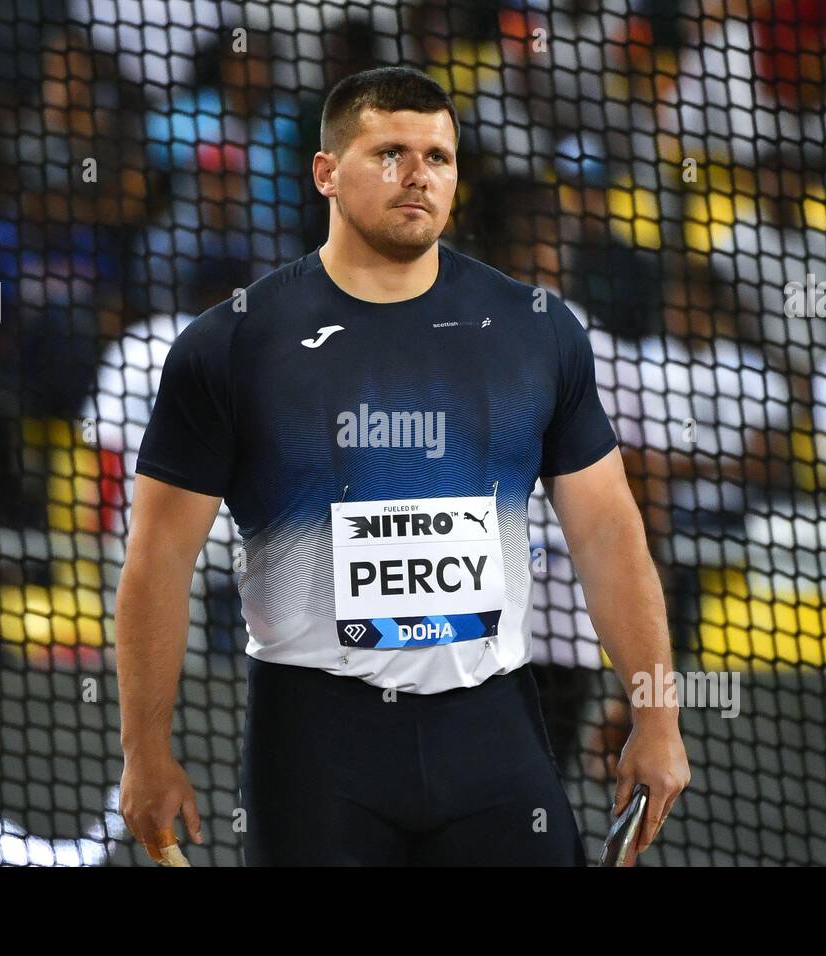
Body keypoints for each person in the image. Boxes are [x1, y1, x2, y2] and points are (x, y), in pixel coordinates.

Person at [117, 66, 689, 867]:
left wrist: (656, 715)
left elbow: (607, 532)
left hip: (492, 732)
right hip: (317, 747)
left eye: (439, 156)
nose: (418, 174)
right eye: (389, 152)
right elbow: (158, 557)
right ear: (325, 172)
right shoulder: (234, 345)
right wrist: (144, 751)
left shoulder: (535, 331)